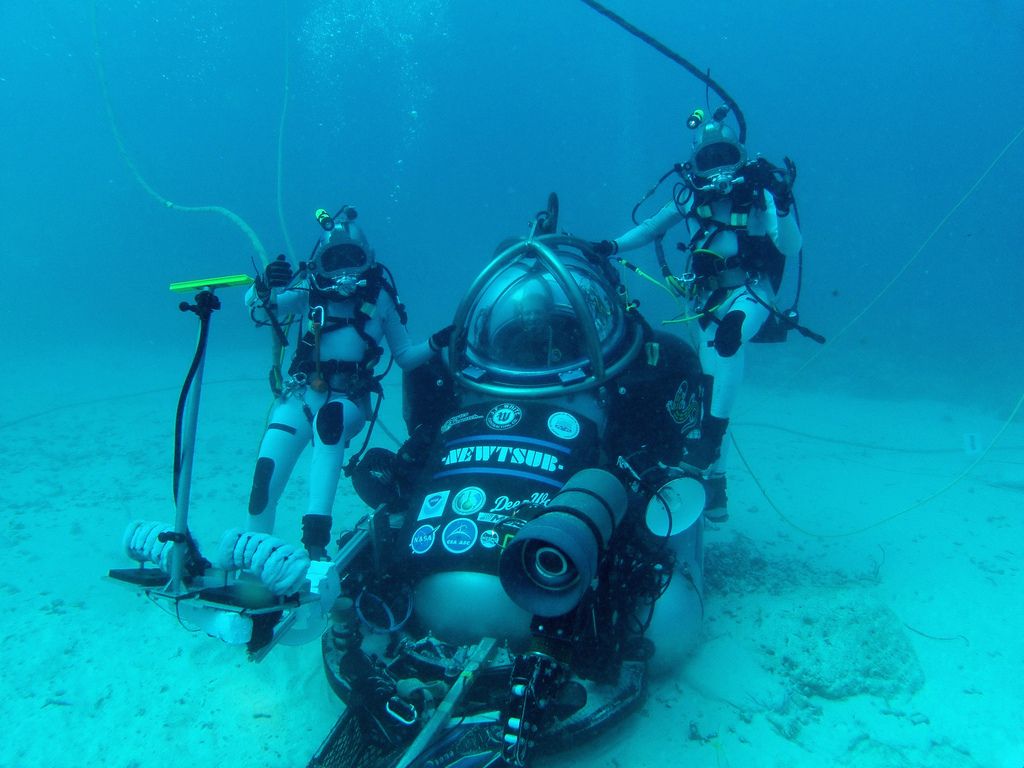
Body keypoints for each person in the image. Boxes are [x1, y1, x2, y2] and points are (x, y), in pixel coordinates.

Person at [592, 107, 802, 522]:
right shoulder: (688, 198)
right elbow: (651, 228)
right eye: (708, 159)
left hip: (750, 294)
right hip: (705, 301)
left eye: (725, 155)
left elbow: (790, 246)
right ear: (694, 163)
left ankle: (709, 446)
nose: (719, 167)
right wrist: (608, 246)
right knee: (708, 390)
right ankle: (715, 481)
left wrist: (782, 203)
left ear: (740, 155)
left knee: (730, 341)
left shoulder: (760, 196)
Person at [244, 206, 450, 559]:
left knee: (331, 424)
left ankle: (315, 545)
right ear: (320, 262)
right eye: (333, 260)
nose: (342, 273)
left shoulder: (380, 297)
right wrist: (262, 285)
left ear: (367, 260)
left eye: (351, 259)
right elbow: (262, 310)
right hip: (302, 390)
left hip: (351, 397)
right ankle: (253, 554)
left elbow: (403, 357)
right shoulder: (310, 289)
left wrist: (436, 343)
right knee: (267, 470)